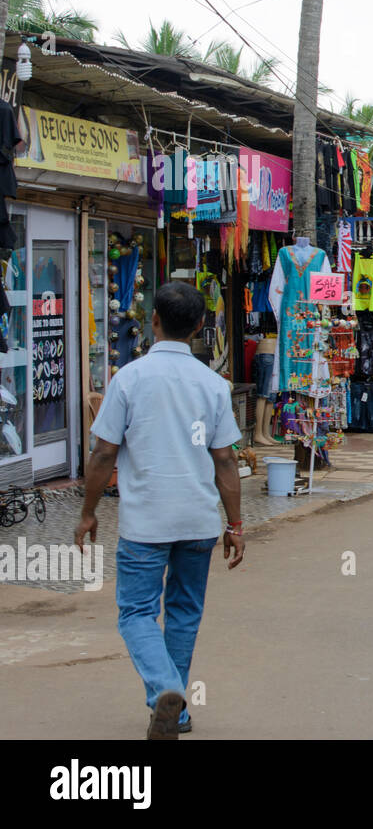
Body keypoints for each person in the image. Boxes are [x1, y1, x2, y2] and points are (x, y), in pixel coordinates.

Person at [75, 282, 244, 740]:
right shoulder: (214, 385)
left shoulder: (128, 379)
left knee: (135, 614)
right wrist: (236, 524)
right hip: (197, 521)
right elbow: (225, 459)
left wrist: (88, 512)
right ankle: (178, 711)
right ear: (200, 327)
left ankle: (166, 689)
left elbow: (103, 453)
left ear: (153, 321)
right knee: (185, 612)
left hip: (145, 522)